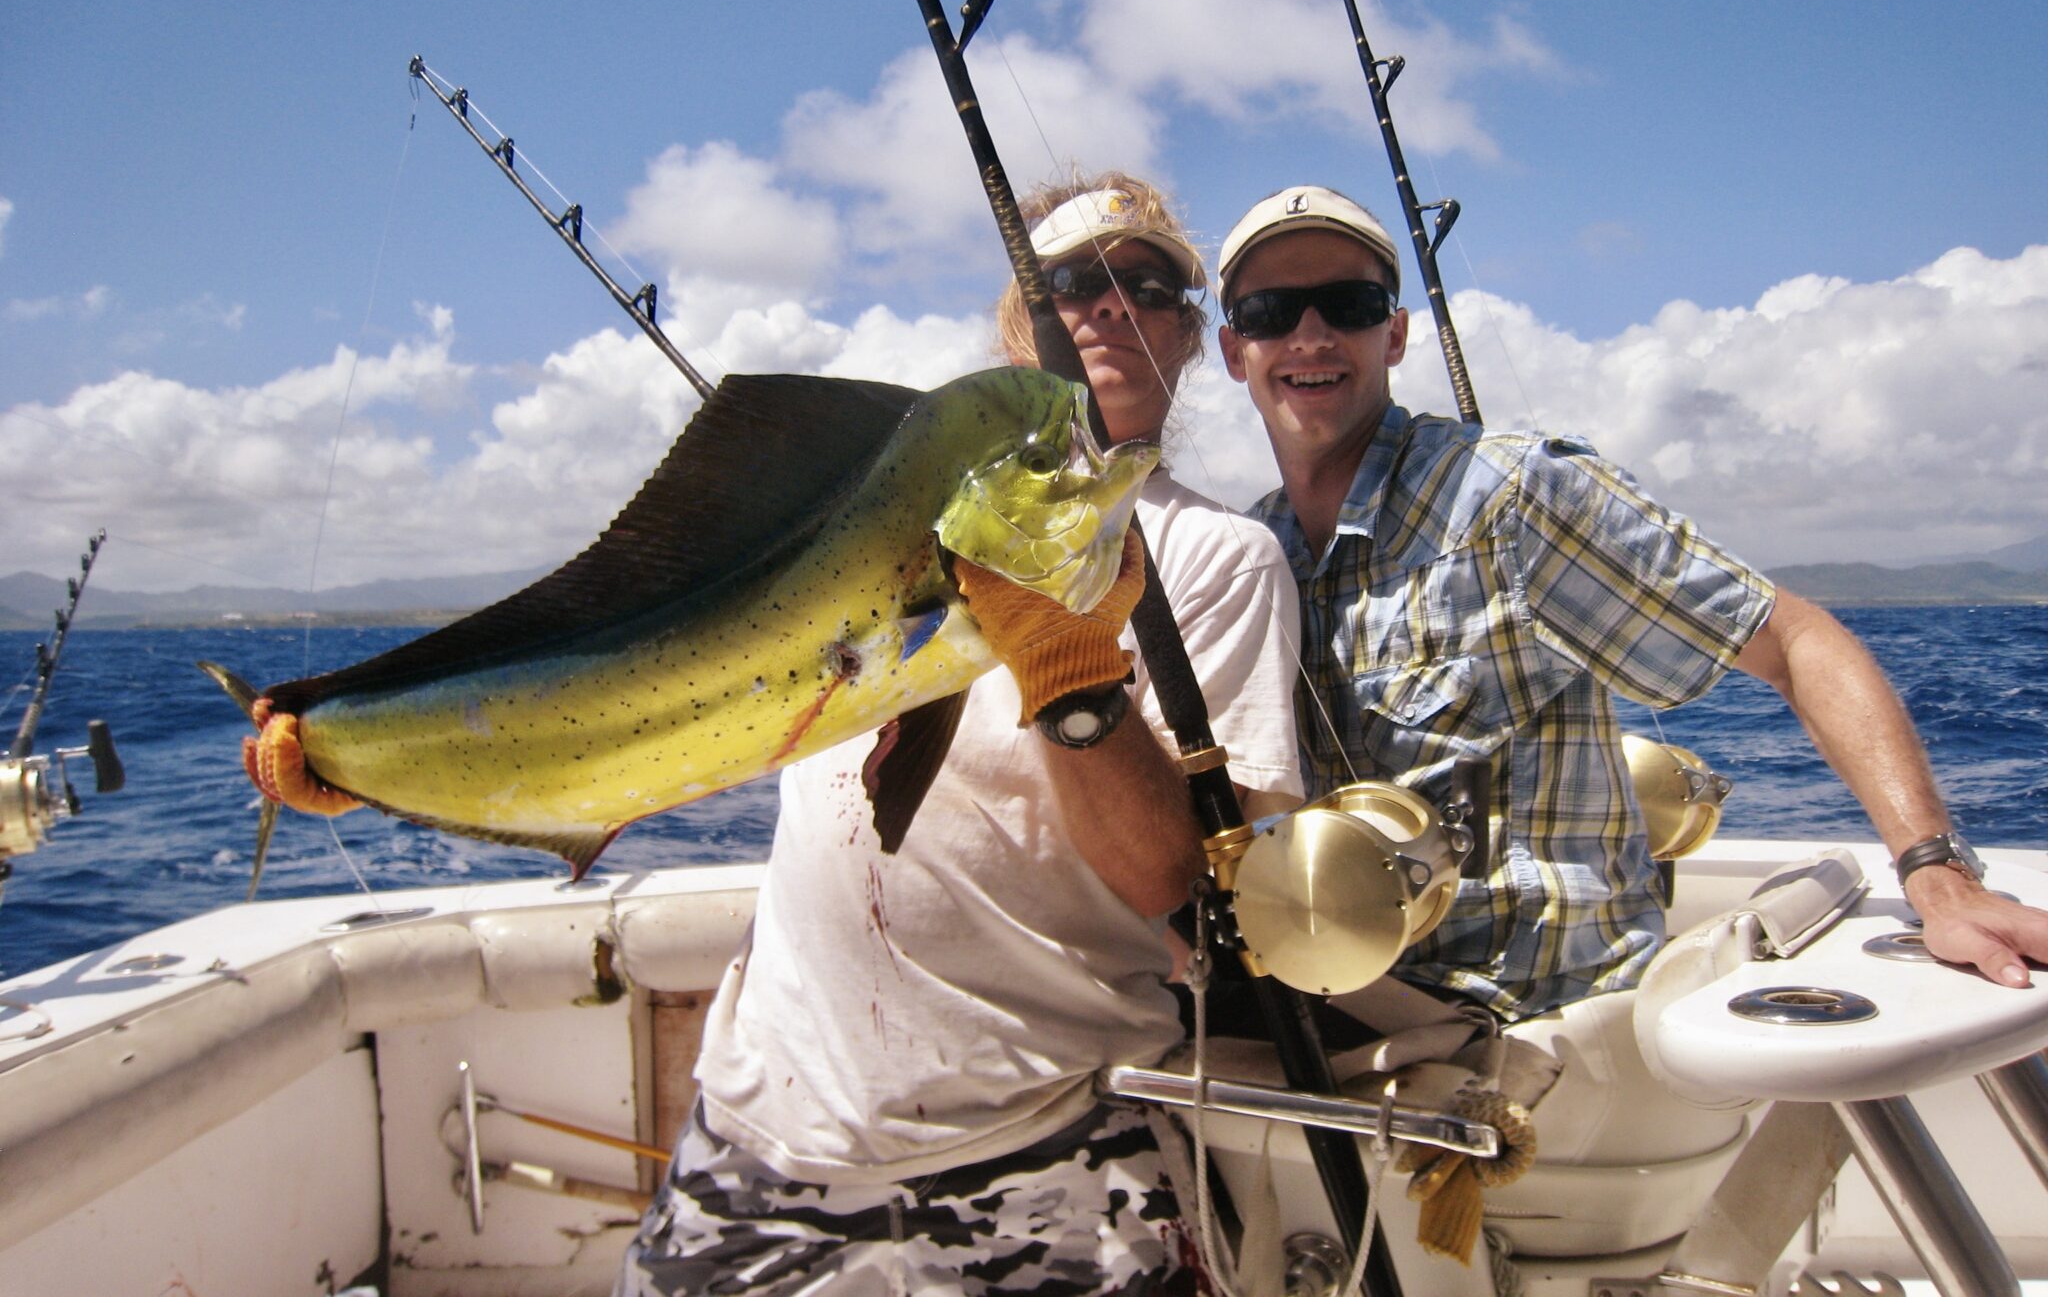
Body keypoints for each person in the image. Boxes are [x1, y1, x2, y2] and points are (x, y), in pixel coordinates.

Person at [617, 172, 1304, 1296]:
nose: (1105, 305)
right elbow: (688, 721)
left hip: (1044, 1141)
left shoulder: (1218, 560)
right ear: (1011, 325)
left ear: (1188, 329)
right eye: (1066, 284)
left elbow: (1163, 877)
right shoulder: (868, 525)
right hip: (763, 1125)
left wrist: (1071, 675)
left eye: (1147, 282)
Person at [1215, 183, 2048, 1024]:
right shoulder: (1248, 554)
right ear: (1231, 349)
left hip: (1539, 1023)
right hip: (1352, 1015)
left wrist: (1937, 874)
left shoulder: (1512, 495)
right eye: (1271, 311)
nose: (1310, 336)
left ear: (1393, 333)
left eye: (1348, 304)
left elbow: (1796, 640)